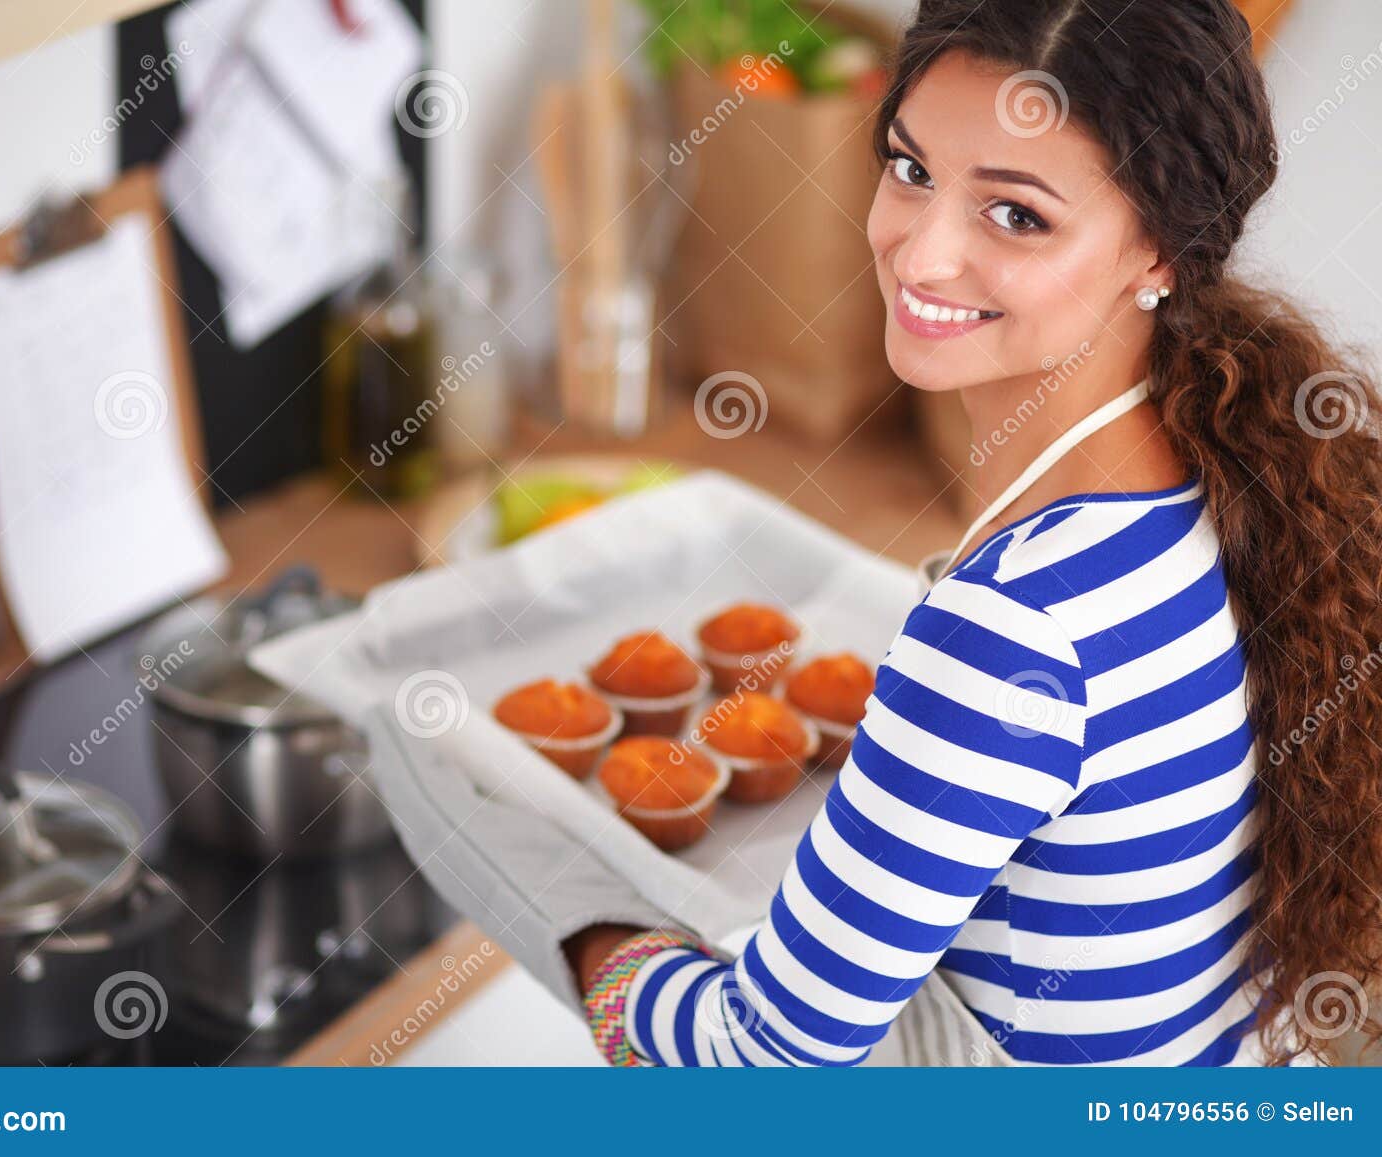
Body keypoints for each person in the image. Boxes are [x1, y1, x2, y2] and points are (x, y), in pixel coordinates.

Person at [566, 0, 1382, 1067]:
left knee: (531, 837)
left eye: (1016, 216)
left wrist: (591, 934)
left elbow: (752, 1062)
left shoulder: (1013, 626)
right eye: (911, 170)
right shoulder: (1231, 490)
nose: (922, 254)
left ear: (1161, 253)